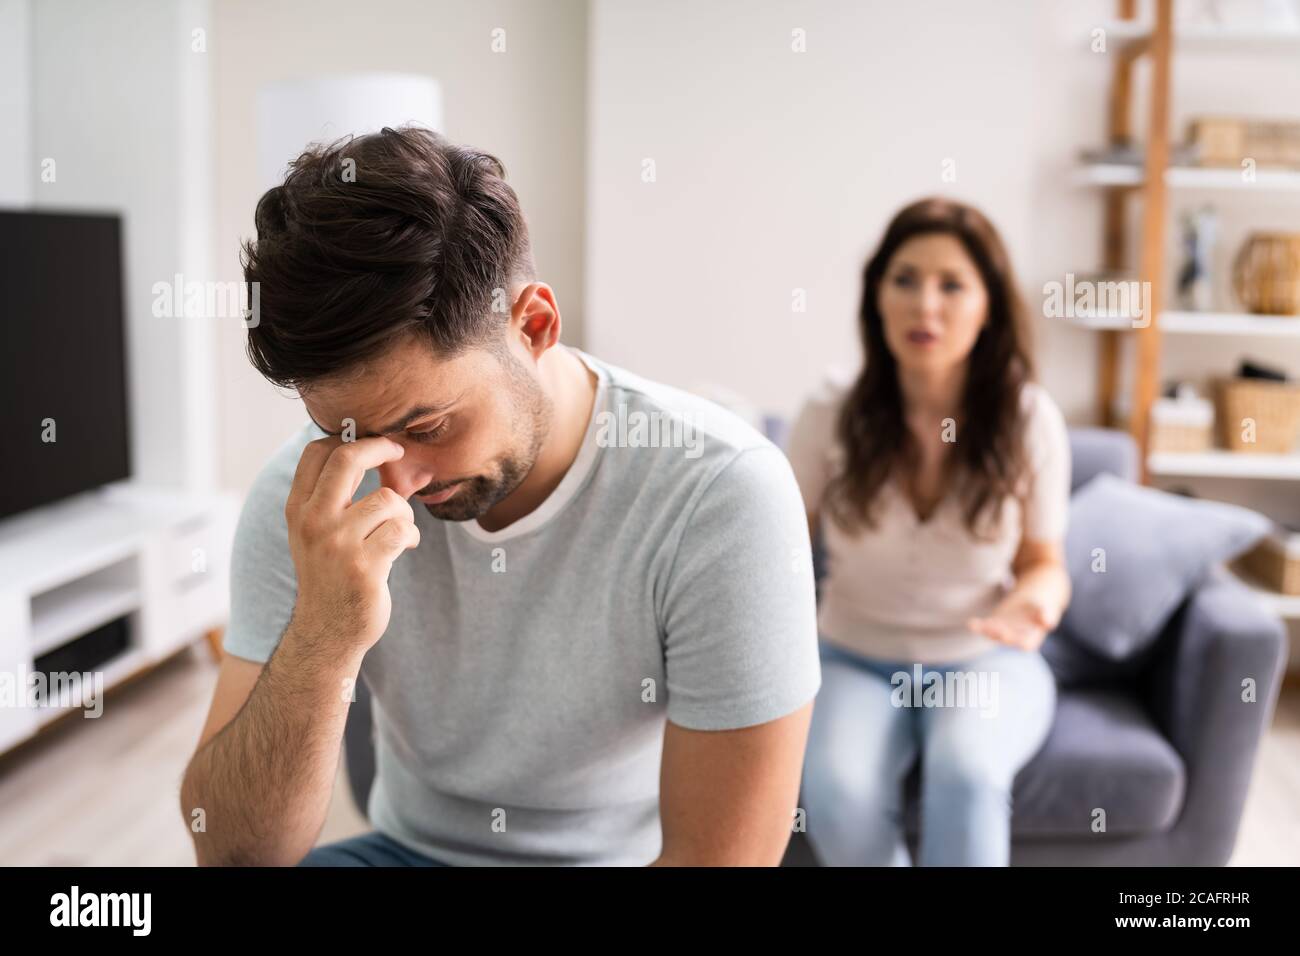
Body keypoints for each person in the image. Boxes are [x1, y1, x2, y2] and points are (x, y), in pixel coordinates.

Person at [179, 126, 820, 867]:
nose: (400, 480)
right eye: (353, 435)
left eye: (430, 425)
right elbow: (231, 855)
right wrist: (323, 636)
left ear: (535, 324)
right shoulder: (310, 502)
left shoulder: (721, 494)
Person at [788, 197, 1071, 866]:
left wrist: (1034, 602)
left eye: (953, 285)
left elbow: (1043, 562)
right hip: (851, 655)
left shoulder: (1030, 420)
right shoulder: (830, 411)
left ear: (990, 305)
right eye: (905, 279)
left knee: (968, 775)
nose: (926, 306)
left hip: (982, 660)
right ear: (877, 294)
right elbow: (781, 550)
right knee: (836, 790)